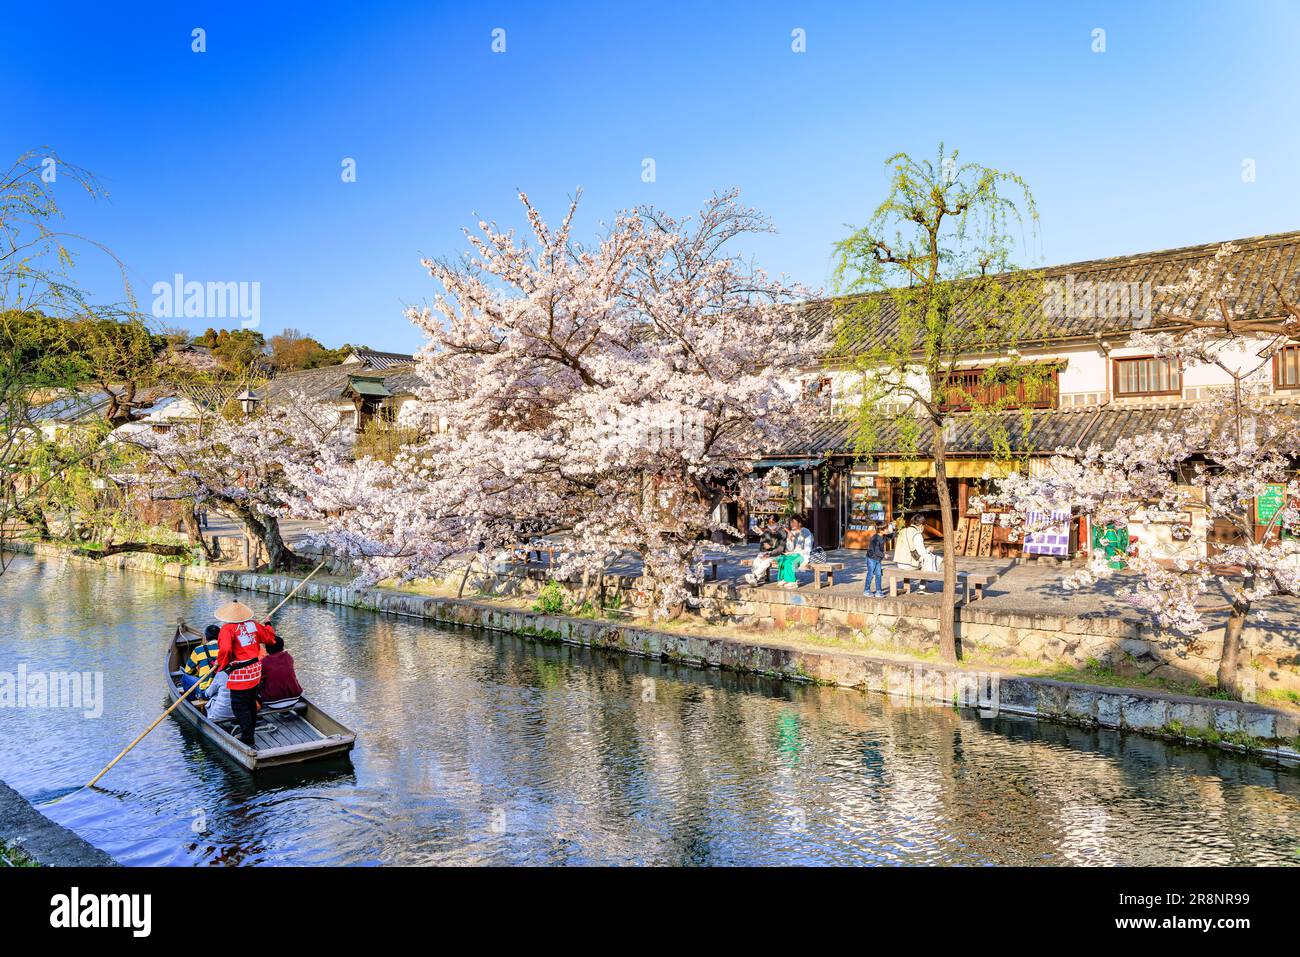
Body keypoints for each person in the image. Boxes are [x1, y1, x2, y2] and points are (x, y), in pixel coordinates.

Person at [213, 601, 278, 747]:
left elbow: (225, 650)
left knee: (239, 706)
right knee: (249, 703)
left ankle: (248, 738)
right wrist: (267, 624)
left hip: (241, 674)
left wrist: (221, 664)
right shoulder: (253, 624)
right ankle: (249, 732)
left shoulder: (227, 629)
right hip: (255, 670)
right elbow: (269, 638)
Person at [894, 514, 940, 590]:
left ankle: (923, 585)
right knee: (928, 559)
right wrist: (929, 549)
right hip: (909, 564)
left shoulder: (902, 531)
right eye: (924, 526)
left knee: (925, 559)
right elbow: (922, 553)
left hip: (899, 563)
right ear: (921, 525)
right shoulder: (917, 534)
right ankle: (923, 587)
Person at [259, 636, 304, 710]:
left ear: (267, 648)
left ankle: (257, 715)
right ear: (282, 647)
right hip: (295, 698)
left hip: (273, 702)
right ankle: (285, 712)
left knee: (255, 683)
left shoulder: (263, 662)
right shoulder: (288, 657)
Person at [179, 624, 221, 695]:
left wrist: (198, 673)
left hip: (205, 692)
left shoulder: (199, 650)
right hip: (223, 689)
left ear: (205, 638)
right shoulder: (226, 649)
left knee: (185, 677)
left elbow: (188, 671)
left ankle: (193, 699)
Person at [744, 517, 786, 585]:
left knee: (766, 562)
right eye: (769, 523)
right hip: (765, 552)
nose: (771, 524)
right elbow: (762, 545)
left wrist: (770, 551)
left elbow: (780, 549)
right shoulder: (766, 531)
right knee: (756, 561)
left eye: (773, 522)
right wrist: (764, 548)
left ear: (777, 522)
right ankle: (755, 580)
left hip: (776, 554)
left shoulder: (782, 532)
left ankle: (754, 576)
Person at [777, 516, 814, 588]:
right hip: (794, 554)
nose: (792, 525)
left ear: (799, 523)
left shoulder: (805, 531)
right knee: (781, 558)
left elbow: (808, 548)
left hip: (803, 555)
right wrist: (790, 539)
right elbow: (790, 548)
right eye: (791, 523)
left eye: (794, 522)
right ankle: (784, 578)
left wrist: (794, 553)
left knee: (788, 561)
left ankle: (792, 581)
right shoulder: (791, 532)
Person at [863, 522, 893, 598]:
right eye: (886, 529)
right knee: (870, 574)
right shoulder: (875, 538)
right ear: (880, 530)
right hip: (871, 558)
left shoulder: (884, 536)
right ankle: (866, 591)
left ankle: (878, 591)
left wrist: (896, 530)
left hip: (878, 559)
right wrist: (884, 555)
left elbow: (892, 535)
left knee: (879, 574)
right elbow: (876, 550)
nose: (887, 530)